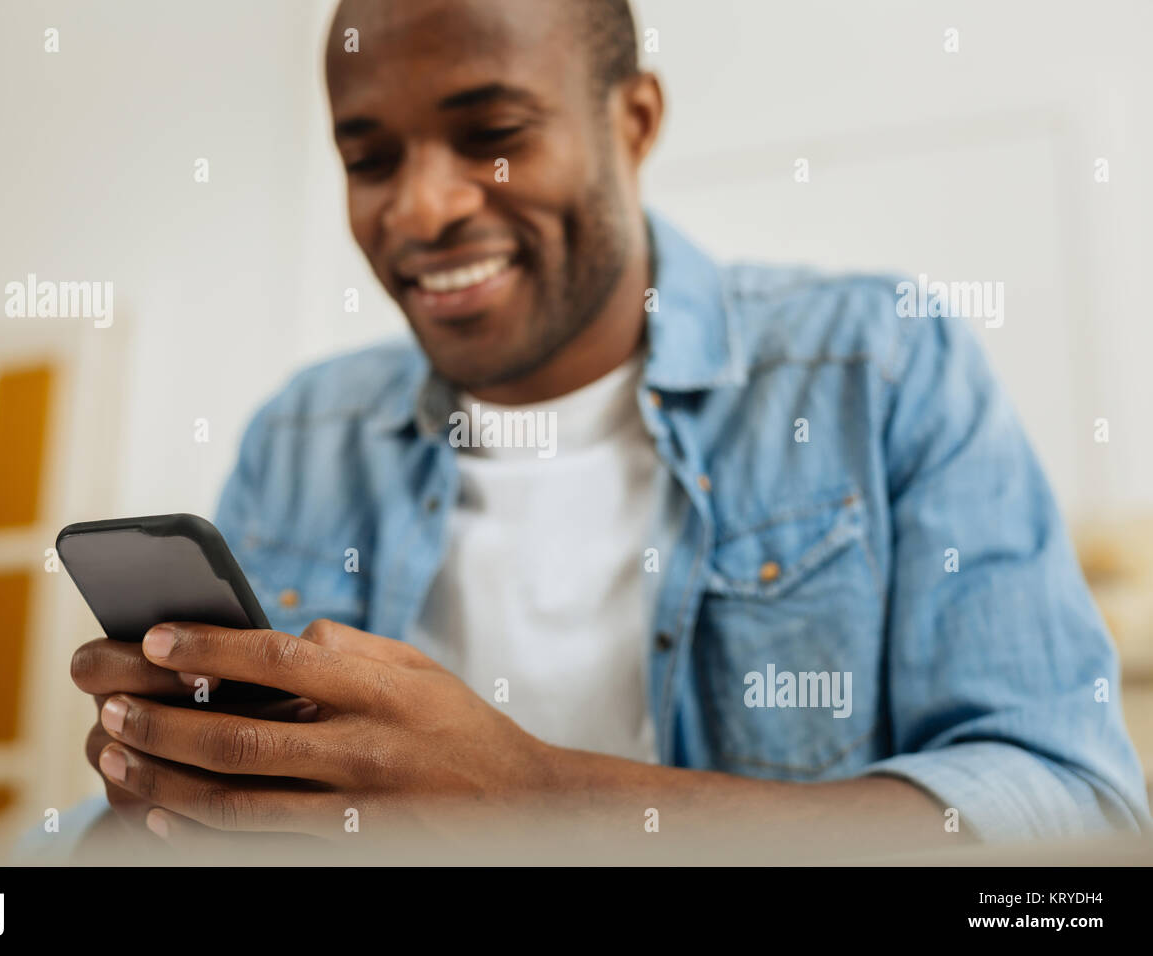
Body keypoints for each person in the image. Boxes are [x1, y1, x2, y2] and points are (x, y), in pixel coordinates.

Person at [63, 0, 1149, 859]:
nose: (421, 208)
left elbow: (1073, 812)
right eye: (369, 158)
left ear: (632, 123)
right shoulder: (302, 432)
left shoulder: (883, 362)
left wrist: (537, 802)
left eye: (489, 136)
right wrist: (165, 811)